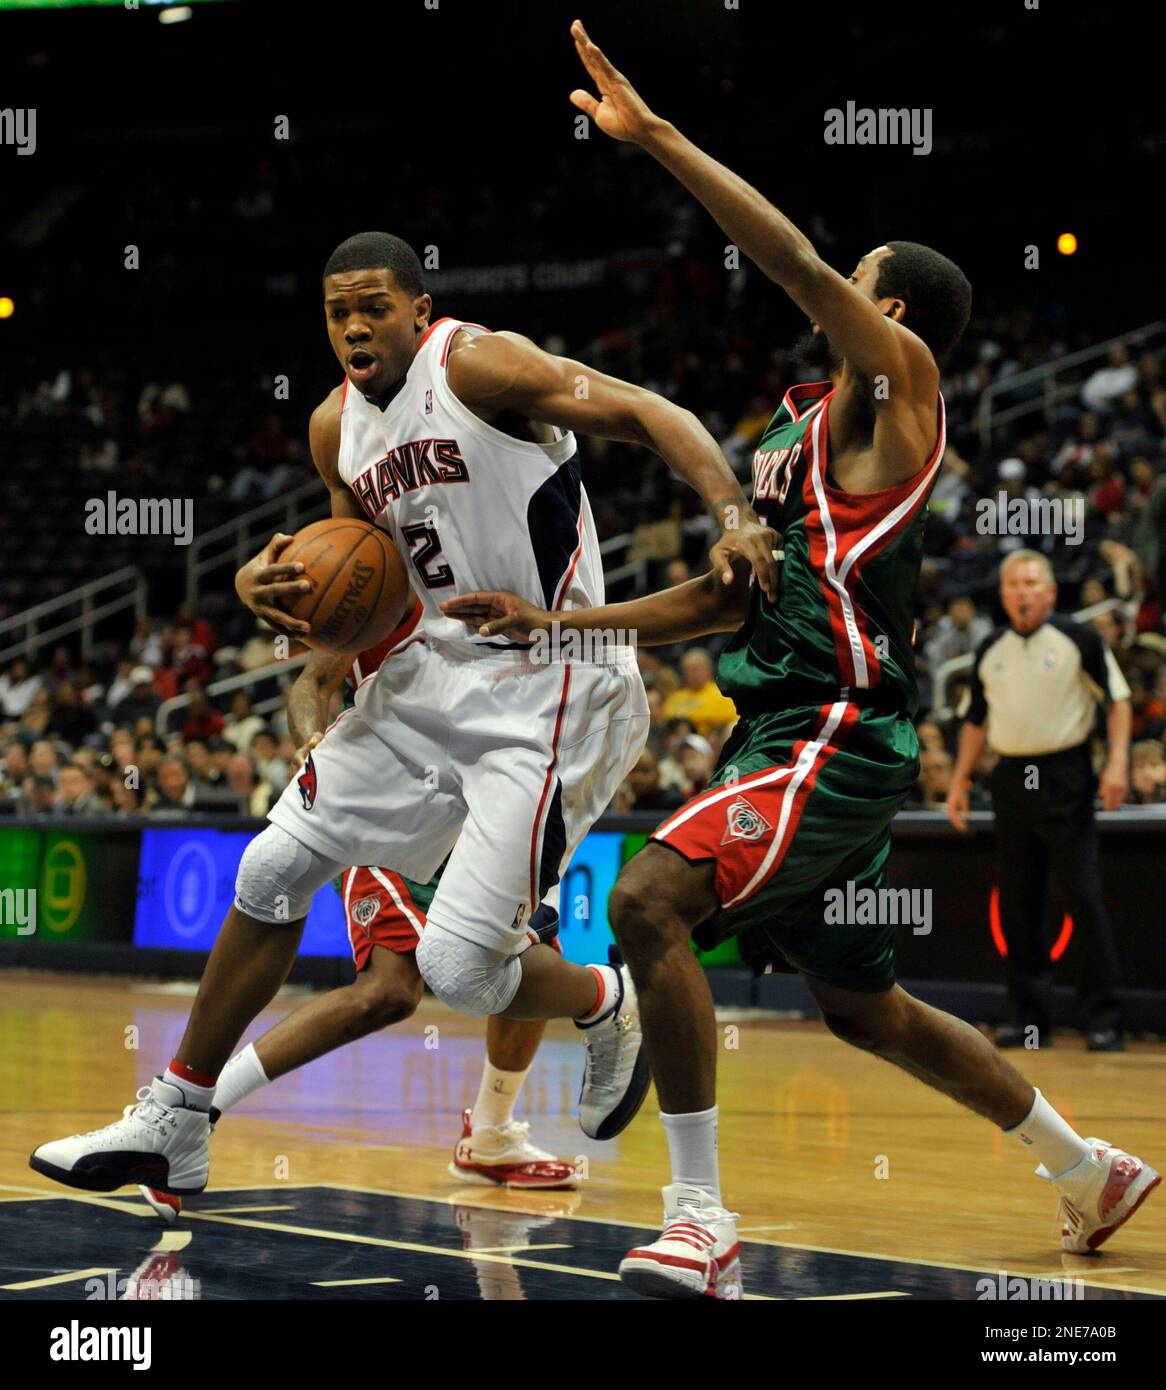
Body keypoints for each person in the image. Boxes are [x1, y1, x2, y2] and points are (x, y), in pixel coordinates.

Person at [432, 21, 1158, 1299]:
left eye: (851, 282)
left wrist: (654, 136)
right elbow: (724, 604)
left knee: (648, 902)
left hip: (839, 732)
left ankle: (699, 1216)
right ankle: (1083, 1167)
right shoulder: (790, 437)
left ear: (882, 311)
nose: (830, 292)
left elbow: (792, 259)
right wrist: (555, 625)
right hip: (781, 728)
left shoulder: (903, 388)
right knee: (861, 1008)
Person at [30, 225, 778, 1200]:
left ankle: (604, 996)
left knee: (461, 970)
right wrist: (273, 590)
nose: (353, 325)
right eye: (337, 309)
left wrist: (730, 512)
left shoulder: (476, 364)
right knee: (271, 863)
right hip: (424, 680)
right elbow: (362, 575)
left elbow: (644, 409)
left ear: (417, 309)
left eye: (373, 305)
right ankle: (176, 1116)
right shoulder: (331, 426)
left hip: (551, 673)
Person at [138, 615, 581, 1221]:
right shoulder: (385, 577)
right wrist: (310, 737)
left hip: (497, 790)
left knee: (530, 956)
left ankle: (491, 1133)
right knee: (390, 991)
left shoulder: (500, 579)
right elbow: (311, 682)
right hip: (392, 796)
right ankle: (195, 1115)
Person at [946, 551, 1132, 1052]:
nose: (1023, 592)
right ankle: (1027, 1021)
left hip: (1066, 775)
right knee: (1018, 904)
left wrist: (1117, 763)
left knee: (1083, 896)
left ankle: (1103, 1019)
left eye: (1032, 582)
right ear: (1003, 595)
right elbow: (975, 722)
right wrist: (959, 781)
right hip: (1010, 778)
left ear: (1050, 592)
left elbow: (1117, 701)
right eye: (1014, 584)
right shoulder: (991, 649)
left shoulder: (1079, 639)